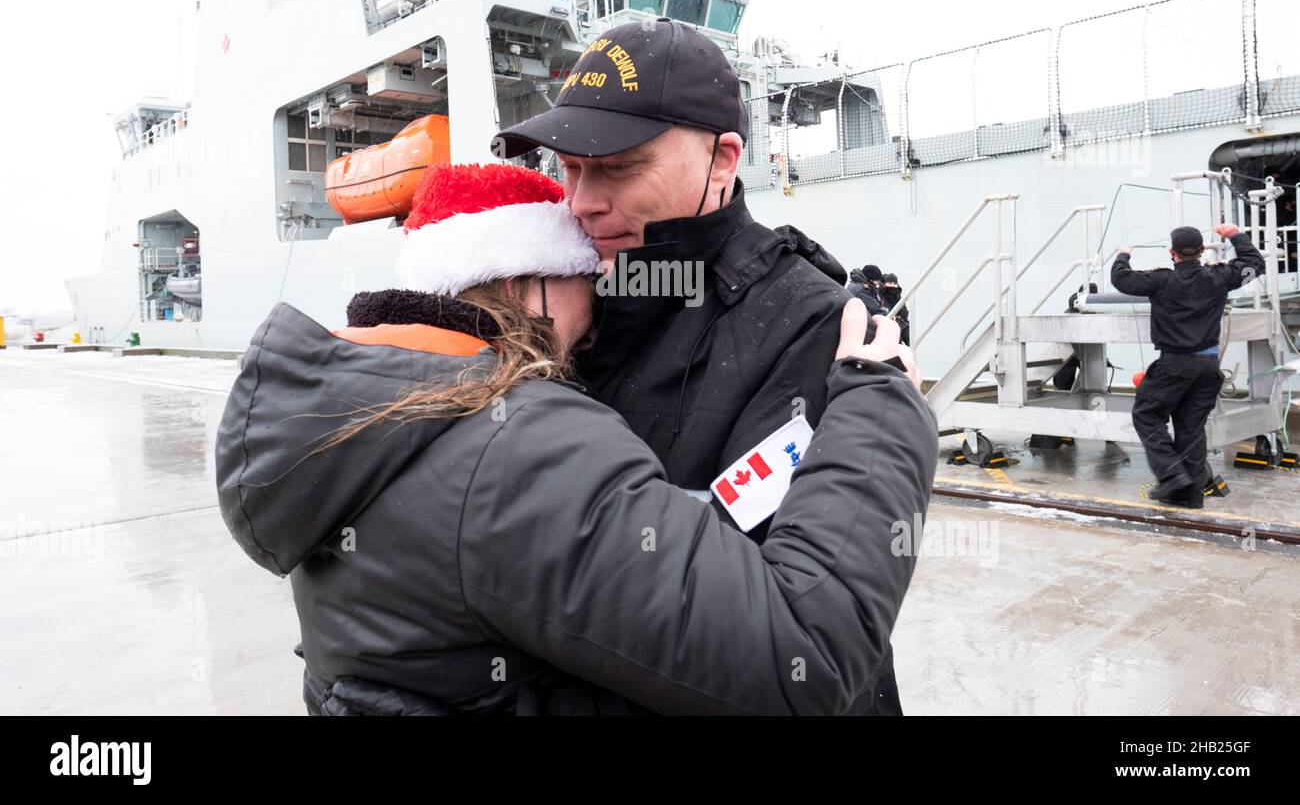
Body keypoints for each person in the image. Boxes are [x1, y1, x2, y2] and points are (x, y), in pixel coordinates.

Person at [215, 161, 937, 715]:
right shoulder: (517, 447)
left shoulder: (372, 400)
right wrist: (880, 404)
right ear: (528, 281)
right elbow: (802, 654)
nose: (596, 318)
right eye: (583, 279)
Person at [492, 17, 910, 714]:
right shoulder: (578, 295)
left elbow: (768, 637)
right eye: (568, 167)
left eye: (619, 166)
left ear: (723, 159)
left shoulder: (810, 325)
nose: (582, 202)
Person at [1111, 224, 1265, 508]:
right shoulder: (1220, 276)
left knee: (1147, 416)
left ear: (1172, 253)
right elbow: (1255, 265)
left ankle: (1170, 475)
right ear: (1203, 250)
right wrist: (1235, 235)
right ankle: (1189, 497)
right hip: (1208, 367)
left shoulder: (1161, 281)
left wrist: (1123, 254)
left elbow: (1121, 280)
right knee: (1191, 429)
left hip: (1174, 366)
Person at [879, 273, 910, 345]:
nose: (892, 285)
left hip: (900, 327)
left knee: (909, 334)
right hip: (886, 330)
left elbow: (904, 314)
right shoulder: (880, 297)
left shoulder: (898, 298)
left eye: (894, 283)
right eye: (890, 283)